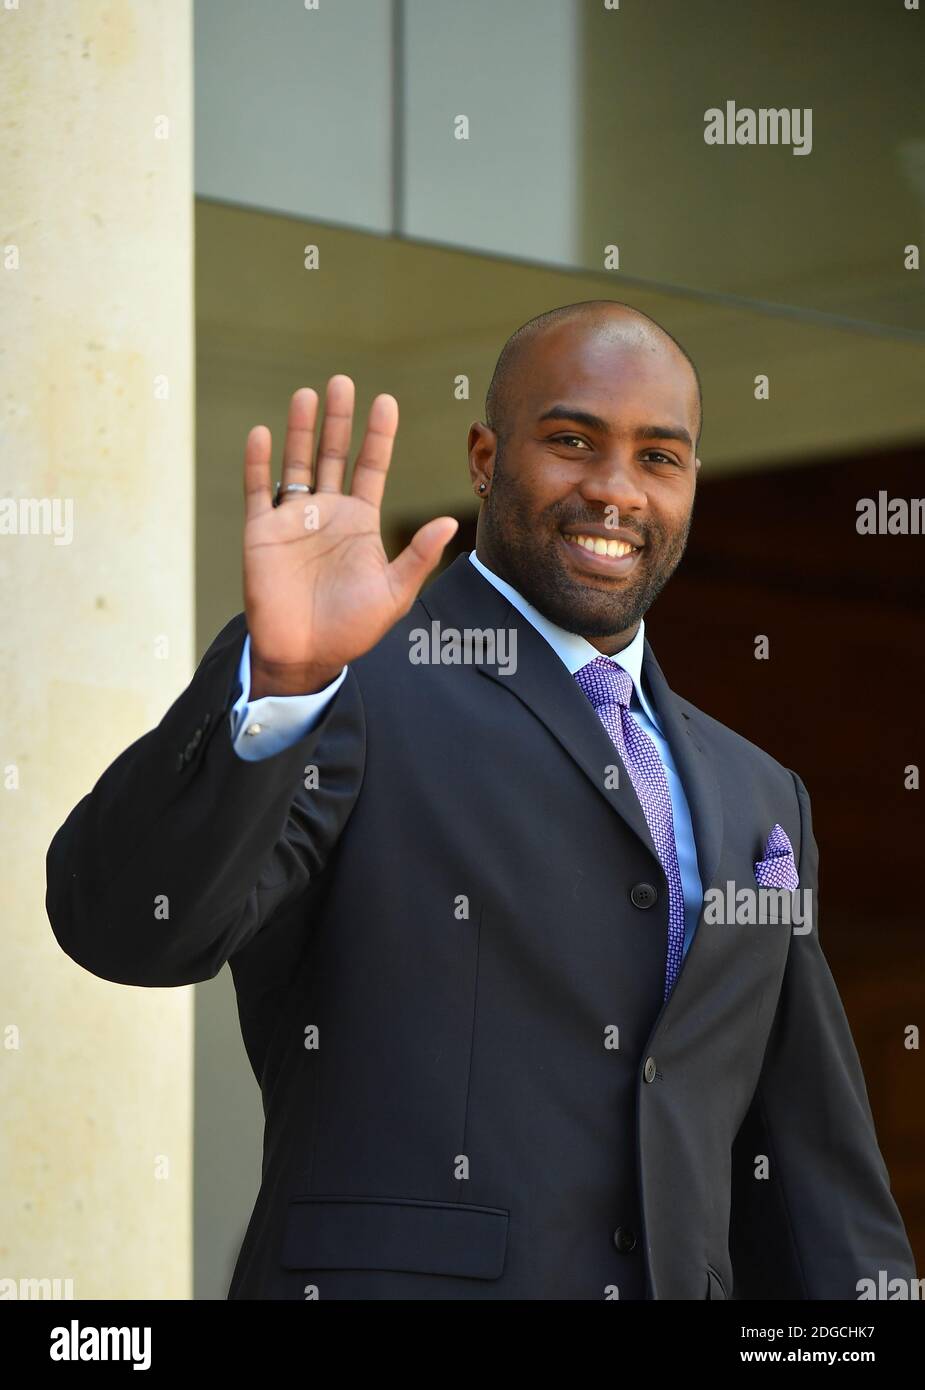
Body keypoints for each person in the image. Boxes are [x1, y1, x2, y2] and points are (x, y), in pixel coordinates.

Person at [46, 300, 915, 1300]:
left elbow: (810, 1165)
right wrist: (280, 681)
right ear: (482, 457)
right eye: (571, 440)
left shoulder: (758, 792)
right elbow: (128, 927)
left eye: (658, 458)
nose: (614, 491)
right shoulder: (350, 683)